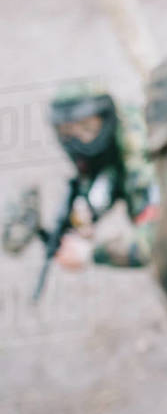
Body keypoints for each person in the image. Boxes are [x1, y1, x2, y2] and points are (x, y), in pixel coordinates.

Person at [2, 80, 158, 272]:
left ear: (105, 117)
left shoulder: (140, 153)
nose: (79, 141)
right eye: (68, 132)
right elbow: (102, 187)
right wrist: (80, 218)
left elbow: (162, 241)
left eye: (87, 127)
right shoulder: (119, 133)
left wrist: (91, 253)